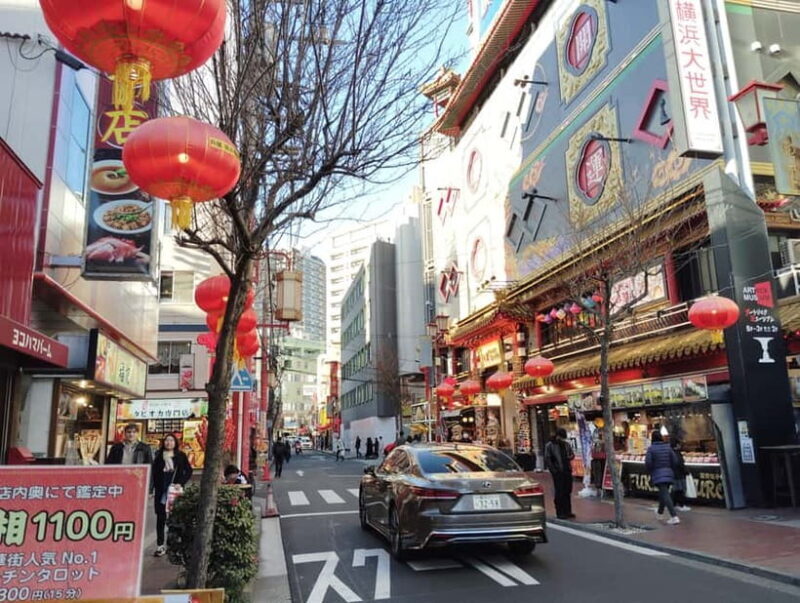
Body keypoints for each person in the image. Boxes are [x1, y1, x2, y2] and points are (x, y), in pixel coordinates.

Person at [151, 434, 193, 557]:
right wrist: (151, 489)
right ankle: (160, 545)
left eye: (171, 440)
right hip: (161, 491)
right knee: (160, 517)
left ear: (175, 443)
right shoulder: (158, 456)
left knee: (175, 517)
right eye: (167, 441)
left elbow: (188, 471)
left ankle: (172, 543)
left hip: (174, 490)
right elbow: (154, 473)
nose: (169, 443)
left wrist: (181, 483)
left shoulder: (180, 456)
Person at [645, 430, 680, 525]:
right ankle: (660, 513)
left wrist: (651, 470)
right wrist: (670, 468)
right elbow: (675, 461)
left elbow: (648, 463)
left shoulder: (651, 449)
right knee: (664, 494)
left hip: (657, 473)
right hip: (669, 473)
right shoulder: (668, 447)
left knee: (665, 494)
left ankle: (674, 516)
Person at [544, 428, 576, 519]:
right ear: (557, 436)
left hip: (567, 470)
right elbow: (548, 459)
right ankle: (560, 512)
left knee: (567, 490)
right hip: (558, 471)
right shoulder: (550, 445)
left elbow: (571, 454)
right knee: (559, 491)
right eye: (561, 438)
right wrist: (554, 470)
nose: (562, 440)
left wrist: (570, 457)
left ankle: (568, 511)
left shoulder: (566, 445)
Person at [670, 440, 691, 512]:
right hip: (679, 474)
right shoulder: (677, 453)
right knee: (680, 490)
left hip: (674, 474)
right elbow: (680, 464)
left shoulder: (671, 452)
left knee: (676, 490)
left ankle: (674, 504)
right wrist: (686, 471)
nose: (680, 446)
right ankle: (681, 505)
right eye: (679, 444)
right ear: (676, 445)